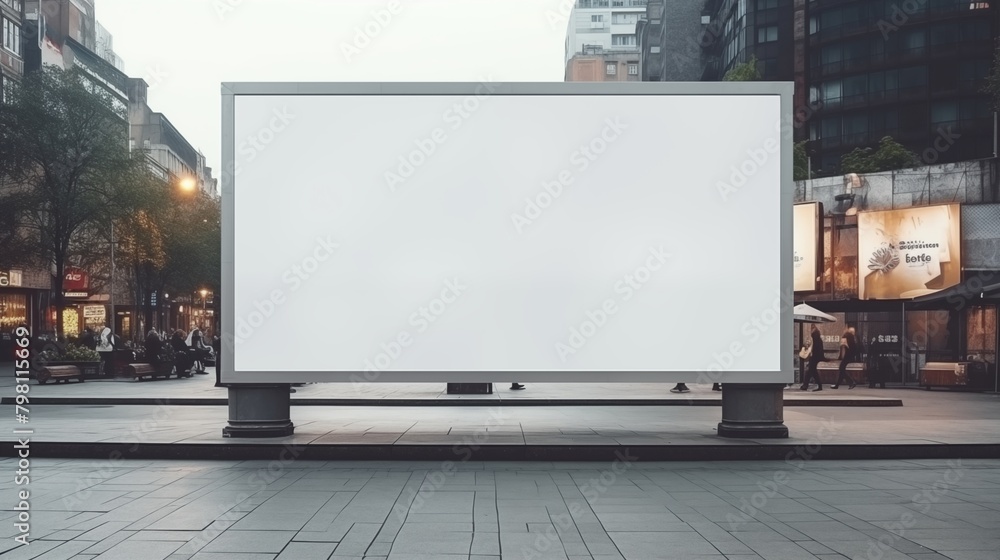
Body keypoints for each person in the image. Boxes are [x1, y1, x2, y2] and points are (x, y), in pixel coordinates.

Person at [801, 325, 826, 391]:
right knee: (812, 371)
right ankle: (807, 385)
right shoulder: (818, 338)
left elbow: (815, 349)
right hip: (815, 357)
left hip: (814, 357)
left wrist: (811, 354)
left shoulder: (816, 338)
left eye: (812, 329)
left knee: (809, 371)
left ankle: (805, 385)